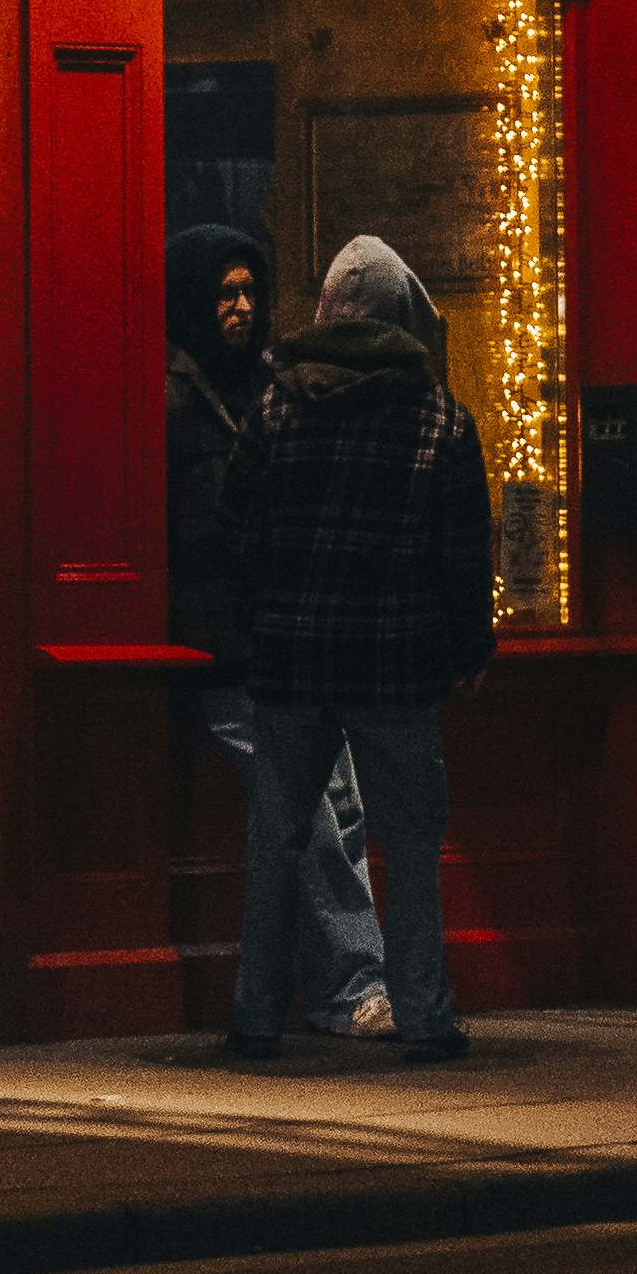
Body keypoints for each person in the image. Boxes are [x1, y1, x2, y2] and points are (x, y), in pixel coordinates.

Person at [216, 232, 492, 1063]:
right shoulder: (439, 417)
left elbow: (238, 538)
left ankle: (255, 1016)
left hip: (291, 666)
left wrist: (263, 623)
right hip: (396, 666)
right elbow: (463, 556)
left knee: (277, 842)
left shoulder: (274, 408)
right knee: (409, 845)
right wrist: (467, 646)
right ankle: (426, 1016)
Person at [167, 223, 392, 1038]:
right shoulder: (168, 393)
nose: (241, 306)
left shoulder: (276, 387)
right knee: (313, 816)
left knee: (345, 802)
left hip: (288, 643)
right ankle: (354, 987)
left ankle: (310, 993)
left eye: (250, 291)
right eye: (225, 292)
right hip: (216, 654)